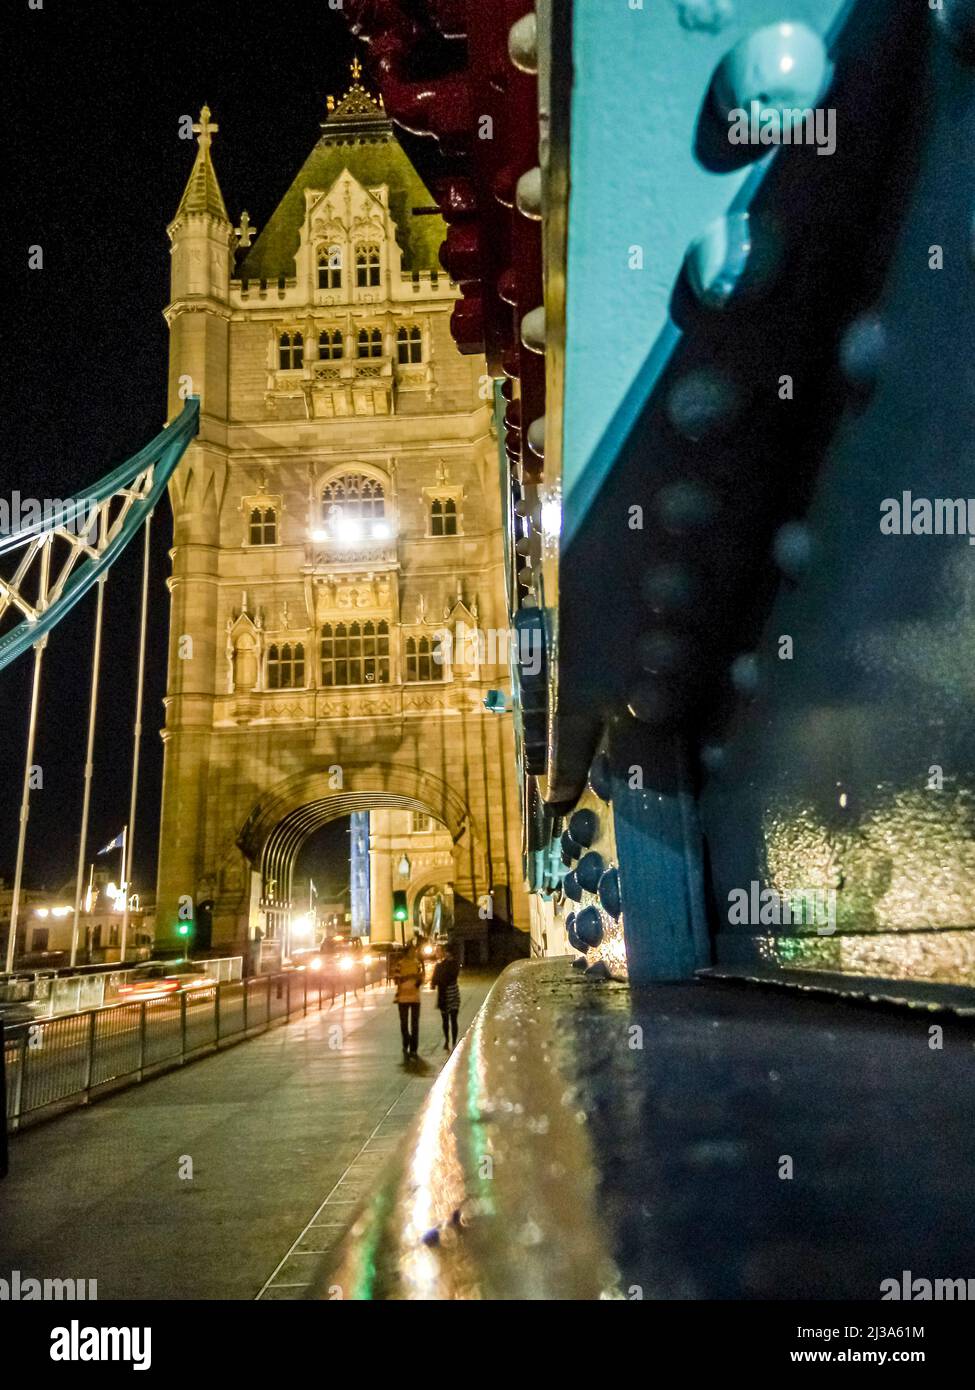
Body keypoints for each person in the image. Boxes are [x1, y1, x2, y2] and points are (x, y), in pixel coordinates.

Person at [392, 940, 424, 1060]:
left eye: (414, 951)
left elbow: (421, 978)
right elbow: (396, 979)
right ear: (407, 952)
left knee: (415, 1025)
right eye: (411, 951)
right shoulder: (400, 964)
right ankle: (406, 1043)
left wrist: (418, 980)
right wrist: (410, 976)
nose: (413, 953)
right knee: (404, 1024)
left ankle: (414, 1048)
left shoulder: (417, 963)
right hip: (402, 998)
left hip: (415, 998)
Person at [430, 944, 461, 1050]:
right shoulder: (440, 965)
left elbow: (451, 976)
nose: (446, 954)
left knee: (453, 1018)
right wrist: (436, 981)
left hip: (451, 993)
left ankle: (453, 1040)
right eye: (445, 951)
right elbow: (434, 981)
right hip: (444, 995)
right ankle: (447, 1040)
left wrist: (439, 980)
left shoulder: (453, 964)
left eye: (448, 952)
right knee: (445, 1020)